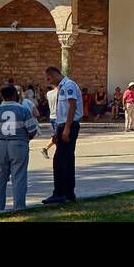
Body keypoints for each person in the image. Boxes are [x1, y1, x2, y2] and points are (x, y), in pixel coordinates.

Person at [0, 83, 39, 211]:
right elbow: (32, 130)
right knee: (19, 176)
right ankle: (19, 207)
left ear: (1, 96)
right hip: (19, 144)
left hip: (1, 144)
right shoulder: (23, 110)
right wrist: (26, 138)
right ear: (15, 95)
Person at [41, 64, 81, 205]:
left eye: (49, 79)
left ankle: (59, 193)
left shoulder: (68, 85)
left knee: (60, 161)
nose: (49, 82)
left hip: (67, 125)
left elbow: (72, 106)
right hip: (63, 125)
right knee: (68, 160)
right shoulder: (63, 86)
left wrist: (67, 128)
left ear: (54, 75)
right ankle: (69, 192)